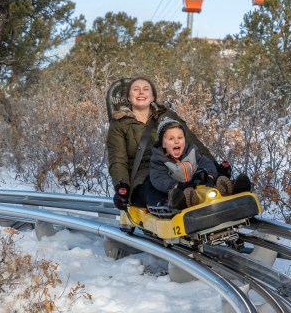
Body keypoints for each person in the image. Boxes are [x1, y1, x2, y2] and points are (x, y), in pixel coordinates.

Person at [106, 75, 251, 211]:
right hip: (144, 174)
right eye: (136, 90)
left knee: (203, 171)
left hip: (178, 163)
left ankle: (231, 190)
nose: (141, 92)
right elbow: (117, 160)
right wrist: (121, 186)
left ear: (153, 96)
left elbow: (193, 142)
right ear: (129, 97)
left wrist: (215, 165)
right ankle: (173, 202)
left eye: (146, 89)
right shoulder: (119, 124)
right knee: (153, 186)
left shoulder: (168, 116)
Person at [149, 117, 234, 209]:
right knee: (179, 197)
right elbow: (159, 179)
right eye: (171, 139)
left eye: (180, 138)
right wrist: (176, 185)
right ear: (163, 144)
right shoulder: (159, 160)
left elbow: (206, 163)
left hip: (202, 186)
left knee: (217, 179)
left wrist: (210, 176)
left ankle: (232, 188)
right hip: (180, 191)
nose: (176, 141)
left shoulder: (191, 152)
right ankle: (188, 201)